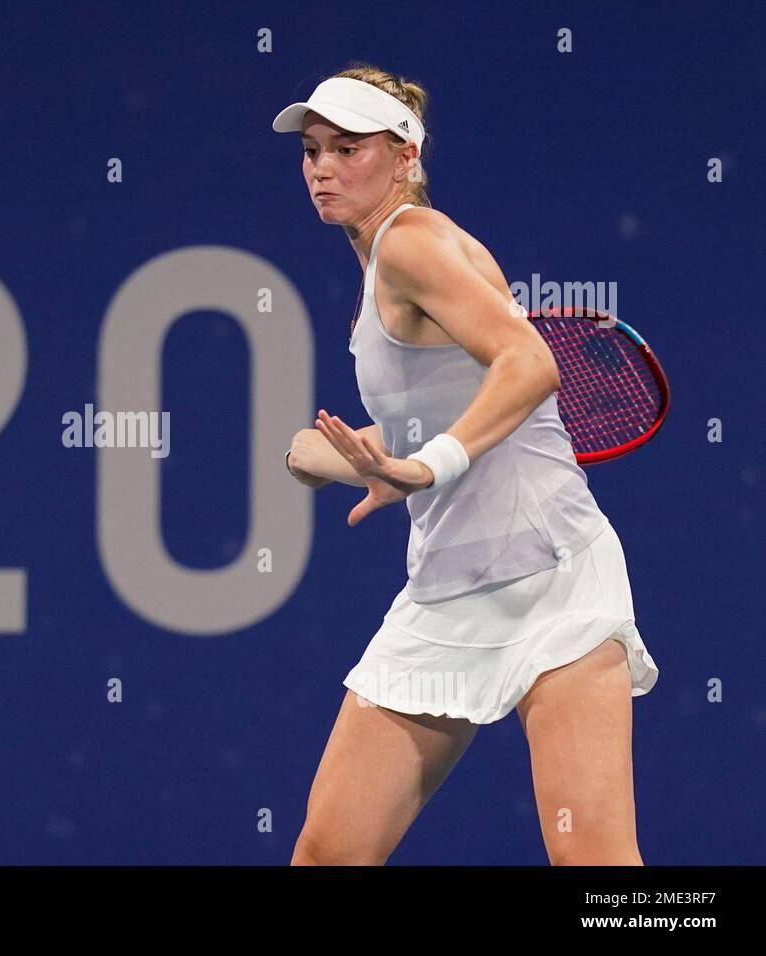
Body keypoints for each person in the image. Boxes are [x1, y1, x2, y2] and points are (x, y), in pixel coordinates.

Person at [275, 64, 659, 865]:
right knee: (327, 855)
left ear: (405, 153)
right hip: (449, 591)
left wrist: (431, 465)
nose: (322, 167)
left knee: (597, 870)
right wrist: (343, 461)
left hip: (554, 578)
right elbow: (369, 441)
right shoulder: (380, 266)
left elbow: (529, 362)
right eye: (313, 150)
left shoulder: (415, 241)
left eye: (348, 148)